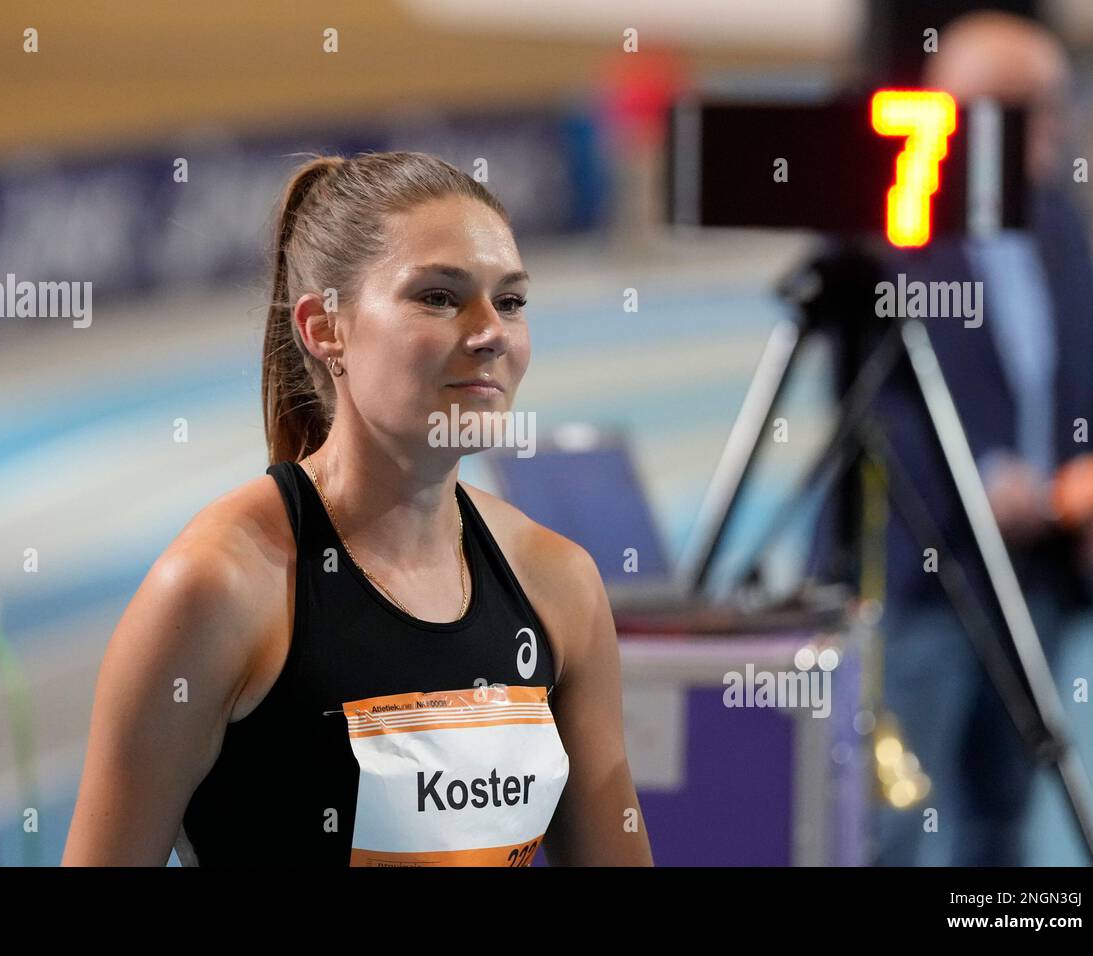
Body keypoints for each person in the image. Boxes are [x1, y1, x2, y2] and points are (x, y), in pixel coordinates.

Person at [62, 150, 653, 866]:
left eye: (512, 300)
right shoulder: (219, 590)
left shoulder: (557, 584)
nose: (490, 329)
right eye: (439, 297)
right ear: (325, 328)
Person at [863, 12, 1093, 866]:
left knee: (1002, 819)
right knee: (891, 824)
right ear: (969, 115)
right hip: (924, 583)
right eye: (1033, 108)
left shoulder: (1060, 221)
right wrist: (975, 480)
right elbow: (866, 405)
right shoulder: (891, 231)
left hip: (1039, 576)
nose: (1057, 127)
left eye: (1058, 104)